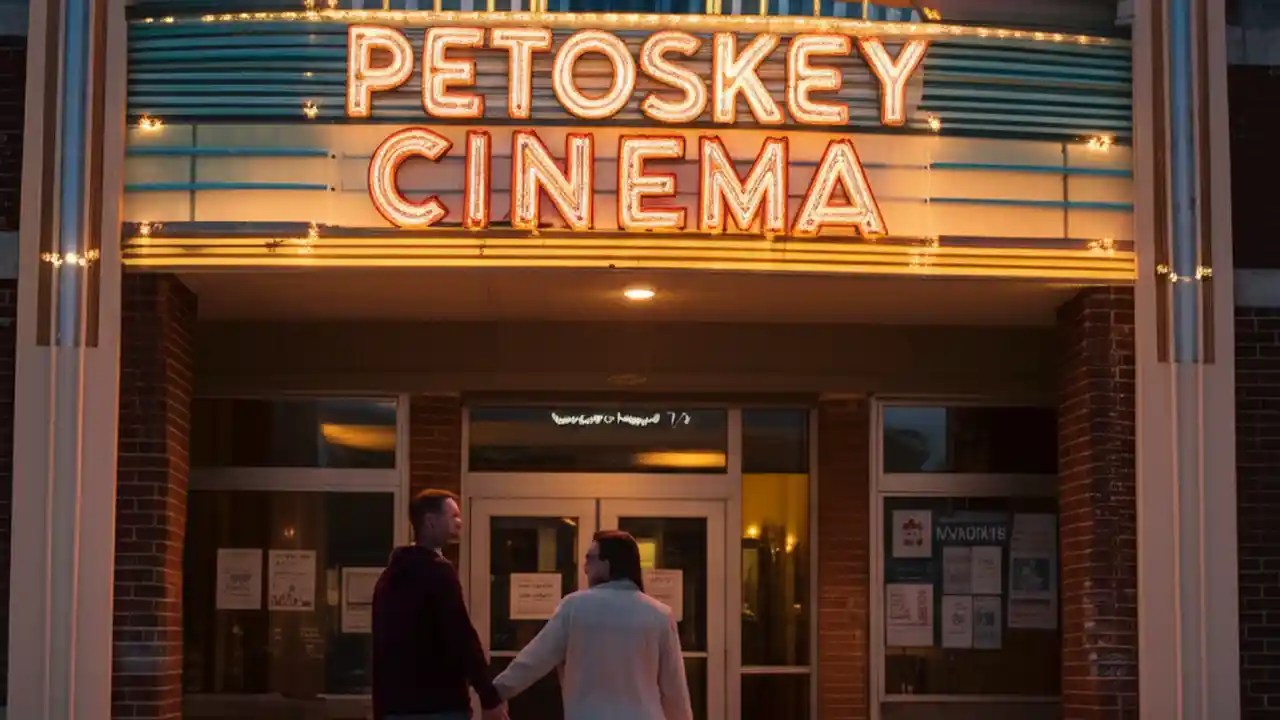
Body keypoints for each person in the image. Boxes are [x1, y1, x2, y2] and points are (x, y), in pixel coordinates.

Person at [492, 530, 694, 720]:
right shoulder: (659, 614)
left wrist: (494, 693)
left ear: (607, 564)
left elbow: (534, 660)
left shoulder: (574, 608)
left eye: (590, 558)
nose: (584, 567)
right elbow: (674, 689)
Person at [372, 489, 508, 720]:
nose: (460, 522)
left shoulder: (389, 577)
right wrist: (489, 697)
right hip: (440, 705)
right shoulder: (438, 572)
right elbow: (461, 636)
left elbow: (381, 646)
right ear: (431, 522)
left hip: (396, 707)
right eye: (453, 516)